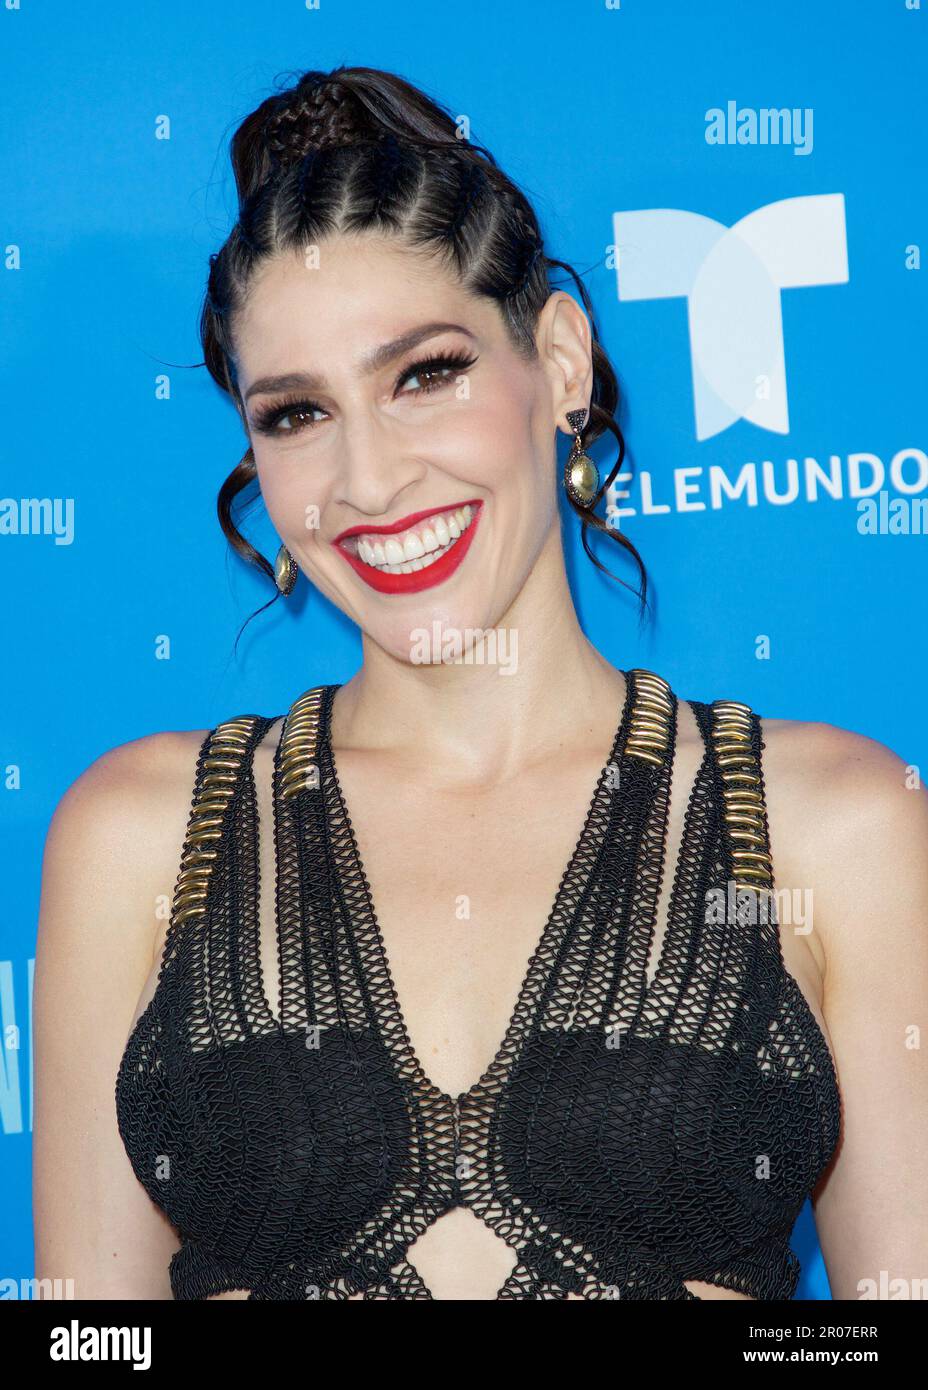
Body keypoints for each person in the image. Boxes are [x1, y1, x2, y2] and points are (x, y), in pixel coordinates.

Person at [32, 65, 928, 1302]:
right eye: (295, 414)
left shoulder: (834, 821)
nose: (369, 480)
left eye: (424, 374)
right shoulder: (136, 831)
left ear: (558, 361)